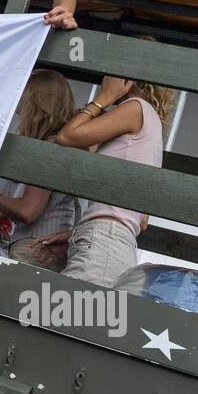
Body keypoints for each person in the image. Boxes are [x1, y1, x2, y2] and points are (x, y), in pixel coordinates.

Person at [50, 75, 176, 286]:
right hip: (118, 245)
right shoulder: (150, 130)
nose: (104, 78)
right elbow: (142, 221)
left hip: (104, 244)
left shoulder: (136, 108)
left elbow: (67, 137)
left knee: (65, 315)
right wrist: (75, 234)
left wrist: (104, 98)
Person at [0, 70, 80, 270]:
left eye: (23, 103)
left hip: (34, 249)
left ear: (38, 106)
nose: (19, 112)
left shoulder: (50, 147)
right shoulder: (55, 145)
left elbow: (28, 211)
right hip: (33, 247)